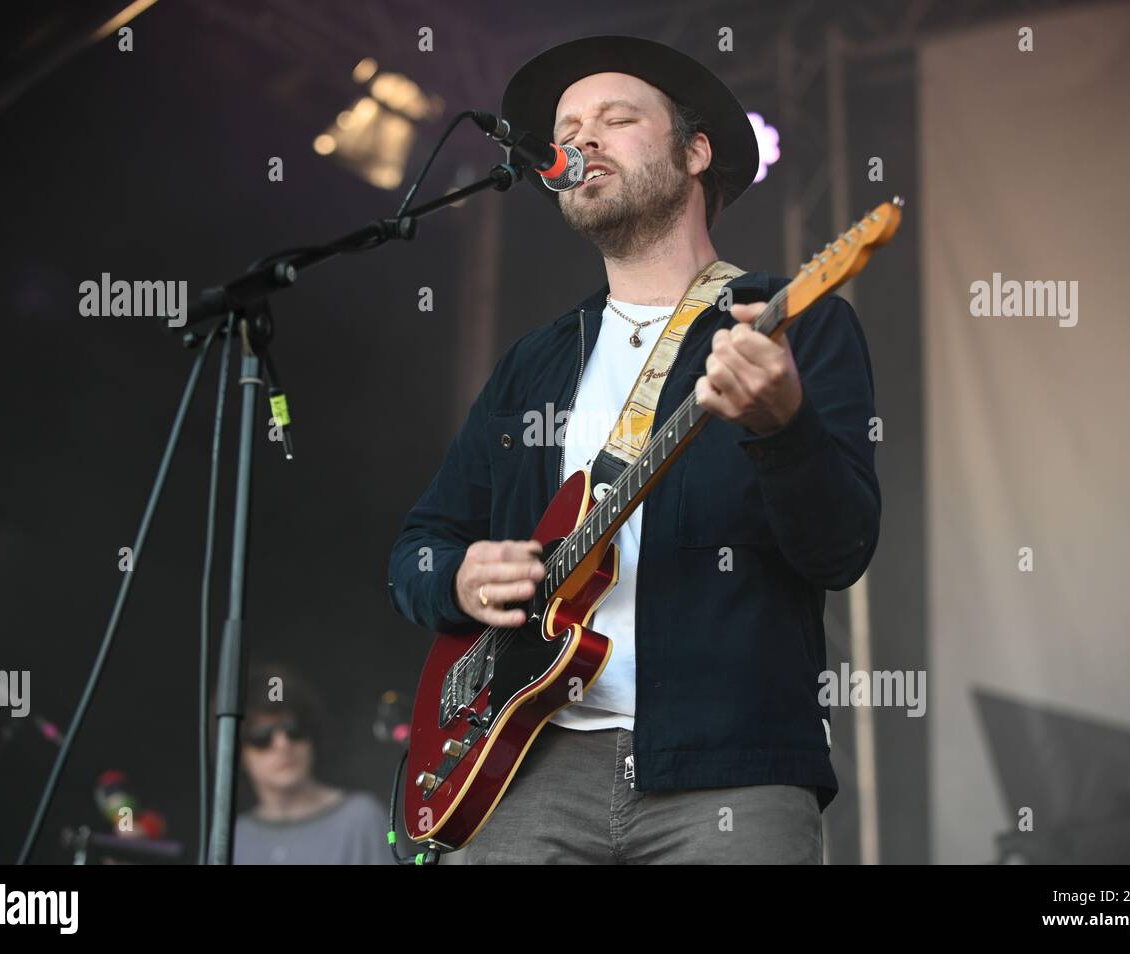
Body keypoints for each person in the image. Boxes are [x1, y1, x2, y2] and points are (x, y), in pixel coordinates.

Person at [388, 35, 880, 864]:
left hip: (731, 765)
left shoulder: (791, 323)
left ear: (696, 152)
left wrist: (781, 425)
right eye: (567, 128)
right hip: (524, 764)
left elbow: (841, 548)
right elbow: (415, 551)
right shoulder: (536, 362)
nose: (579, 140)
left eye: (614, 120)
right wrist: (460, 576)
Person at [232, 664, 393, 865]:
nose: (283, 744)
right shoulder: (232, 839)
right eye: (262, 736)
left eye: (294, 729)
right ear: (239, 753)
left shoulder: (362, 818)